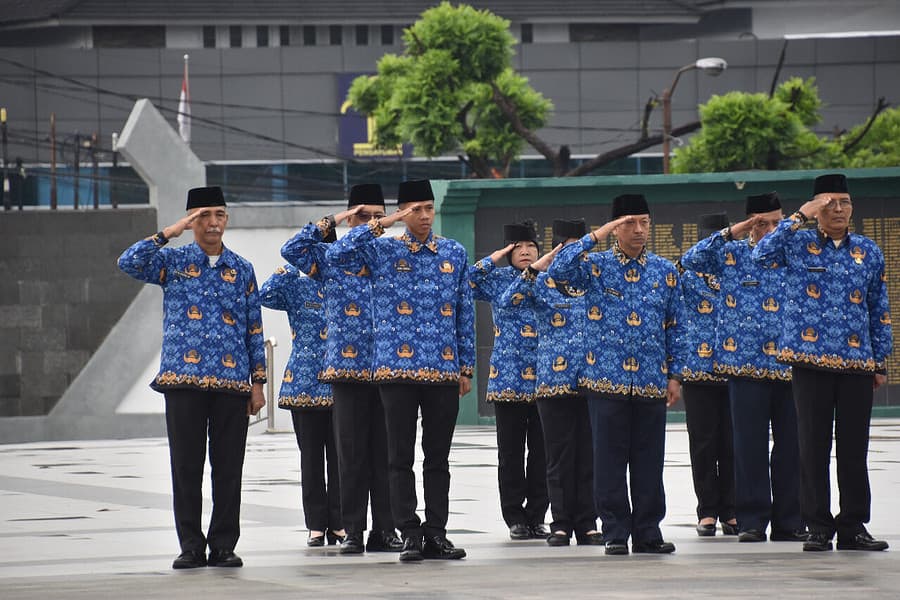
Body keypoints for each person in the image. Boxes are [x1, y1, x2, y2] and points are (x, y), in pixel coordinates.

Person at [117, 186, 266, 569]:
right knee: (186, 466)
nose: (212, 222)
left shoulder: (242, 268)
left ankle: (223, 545)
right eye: (203, 215)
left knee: (229, 468)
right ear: (191, 220)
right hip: (183, 382)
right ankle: (190, 546)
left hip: (233, 384)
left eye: (219, 214)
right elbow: (129, 262)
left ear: (226, 219)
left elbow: (253, 327)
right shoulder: (173, 262)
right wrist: (168, 232)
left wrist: (258, 383)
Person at [326, 179, 474, 562]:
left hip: (442, 369)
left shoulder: (454, 253)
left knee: (438, 458)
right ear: (403, 212)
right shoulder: (382, 250)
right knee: (398, 458)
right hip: (395, 372)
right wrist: (384, 222)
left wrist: (466, 367)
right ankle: (408, 532)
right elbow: (338, 255)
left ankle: (436, 532)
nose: (423, 217)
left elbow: (464, 312)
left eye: (428, 209)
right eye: (415, 210)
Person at [752, 173, 892, 552]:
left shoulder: (868, 250)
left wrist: (880, 361)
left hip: (856, 364)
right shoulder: (796, 244)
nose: (838, 209)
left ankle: (853, 526)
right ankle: (816, 525)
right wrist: (798, 216)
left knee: (853, 448)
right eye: (830, 203)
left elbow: (879, 307)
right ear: (817, 209)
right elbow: (759, 254)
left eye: (845, 202)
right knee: (812, 446)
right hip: (809, 361)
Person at [547, 194, 685, 556]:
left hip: (651, 379)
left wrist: (676, 375)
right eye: (629, 223)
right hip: (604, 378)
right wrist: (596, 235)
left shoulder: (665, 271)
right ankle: (614, 531)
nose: (638, 230)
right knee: (608, 459)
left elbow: (677, 326)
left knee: (649, 459)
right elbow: (557, 270)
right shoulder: (595, 266)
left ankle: (648, 531)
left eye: (643, 221)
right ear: (615, 228)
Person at [280, 183, 401, 554]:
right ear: (351, 219)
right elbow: (292, 250)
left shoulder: (395, 256)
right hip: (346, 372)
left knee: (387, 456)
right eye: (363, 217)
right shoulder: (332, 259)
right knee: (349, 456)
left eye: (379, 217)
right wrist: (334, 221)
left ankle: (386, 529)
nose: (373, 224)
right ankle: (352, 530)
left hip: (386, 368)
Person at [681, 192, 804, 544]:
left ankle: (790, 521)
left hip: (789, 365)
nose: (768, 230)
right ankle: (751, 520)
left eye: (775, 223)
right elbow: (691, 260)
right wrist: (732, 233)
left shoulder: (794, 253)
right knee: (746, 447)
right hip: (743, 366)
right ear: (749, 223)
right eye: (760, 223)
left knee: (791, 447)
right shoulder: (732, 255)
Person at [502, 218, 602, 547]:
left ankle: (587, 521)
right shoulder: (541, 284)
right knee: (556, 458)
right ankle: (560, 523)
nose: (573, 254)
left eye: (579, 246)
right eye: (566, 247)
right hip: (551, 384)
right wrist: (536, 270)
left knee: (588, 456)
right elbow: (508, 302)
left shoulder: (596, 282)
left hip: (591, 381)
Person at [469, 221, 549, 541]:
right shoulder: (498, 279)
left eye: (531, 245)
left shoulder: (550, 281)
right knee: (511, 452)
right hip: (508, 377)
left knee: (543, 452)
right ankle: (514, 517)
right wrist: (494, 257)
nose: (526, 251)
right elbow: (466, 281)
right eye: (518, 247)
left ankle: (538, 515)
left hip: (546, 376)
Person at [260, 262, 345, 547]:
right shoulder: (296, 286)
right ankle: (316, 526)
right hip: (303, 383)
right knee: (310, 458)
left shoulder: (342, 285)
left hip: (340, 382)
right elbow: (266, 294)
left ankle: (340, 523)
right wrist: (291, 265)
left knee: (340, 459)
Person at [676, 213, 736, 537]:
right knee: (703, 443)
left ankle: (732, 509)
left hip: (735, 370)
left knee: (732, 443)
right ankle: (707, 511)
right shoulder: (687, 274)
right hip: (697, 372)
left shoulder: (737, 270)